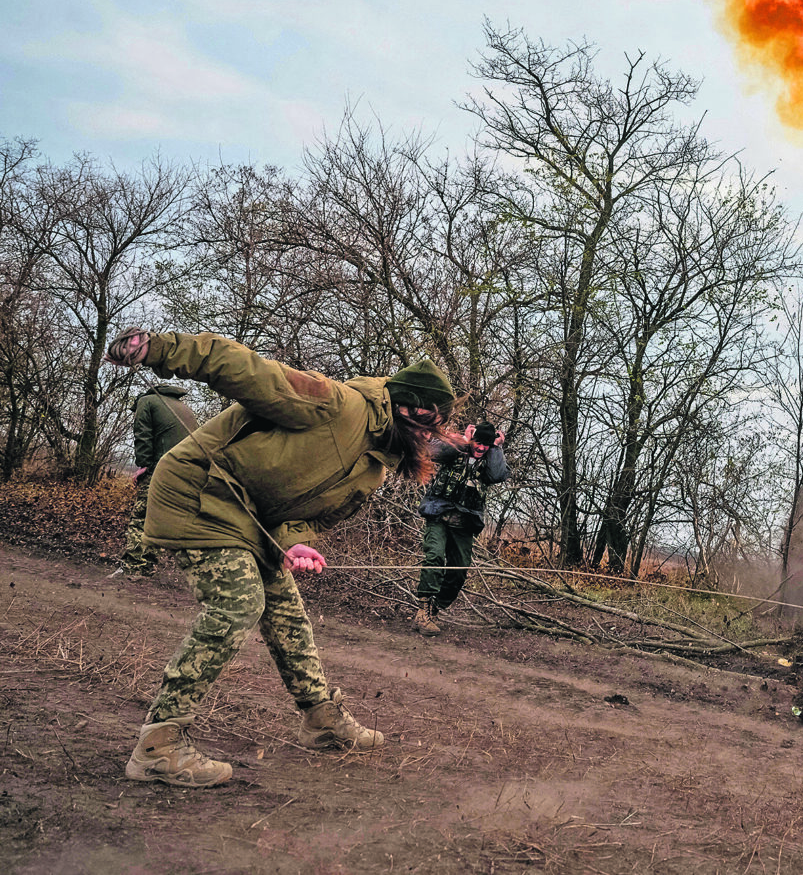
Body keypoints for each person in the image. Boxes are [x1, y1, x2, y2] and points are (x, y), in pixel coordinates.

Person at [103, 327, 456, 788]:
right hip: (200, 489)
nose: (430, 437)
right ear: (408, 408)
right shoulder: (338, 404)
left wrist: (294, 541)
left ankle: (321, 719)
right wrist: (160, 349)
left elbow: (309, 513)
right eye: (430, 425)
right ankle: (158, 746)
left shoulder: (374, 464)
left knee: (285, 610)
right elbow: (245, 368)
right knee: (238, 605)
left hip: (250, 516)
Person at [412, 421, 509, 636]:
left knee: (459, 571)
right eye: (478, 443)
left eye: (486, 445)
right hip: (439, 515)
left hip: (464, 523)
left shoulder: (490, 461)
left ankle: (435, 608)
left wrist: (497, 447)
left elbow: (497, 475)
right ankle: (422, 612)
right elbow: (432, 452)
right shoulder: (456, 450)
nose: (481, 448)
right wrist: (463, 441)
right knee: (434, 557)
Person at [110, 382, 199, 579]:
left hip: (163, 469)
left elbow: (142, 436)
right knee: (158, 519)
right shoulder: (182, 406)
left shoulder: (146, 401)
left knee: (141, 517)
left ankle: (132, 568)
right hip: (188, 472)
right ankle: (148, 566)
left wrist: (144, 466)